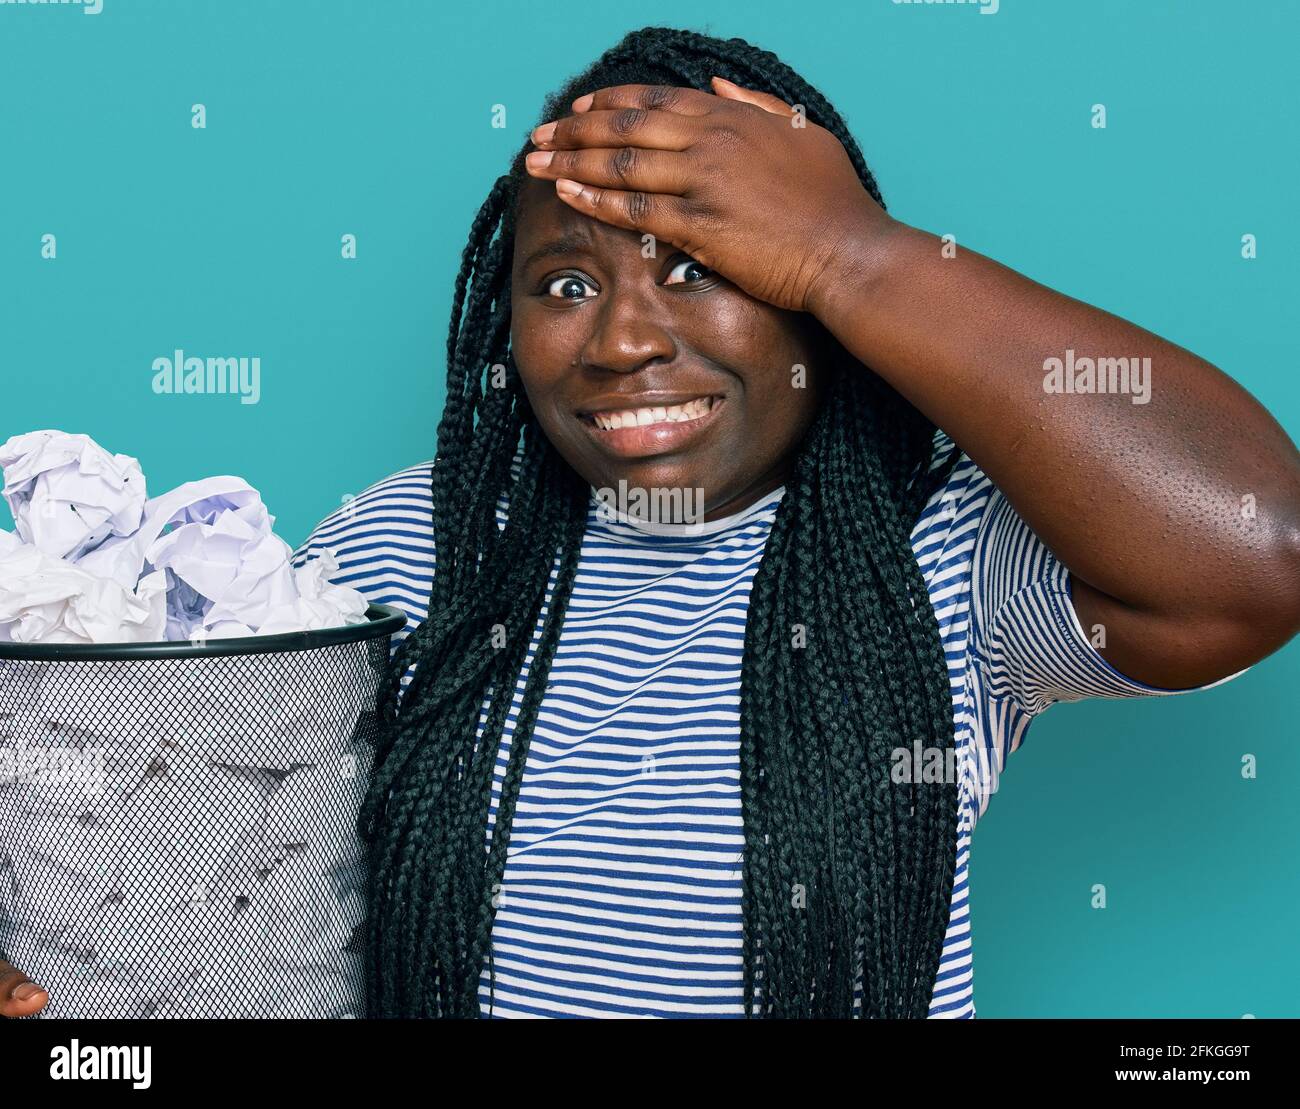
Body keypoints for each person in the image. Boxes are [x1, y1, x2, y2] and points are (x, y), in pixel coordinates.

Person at [4, 24, 1297, 1020]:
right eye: (566, 279)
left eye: (706, 267)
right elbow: (185, 843)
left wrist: (861, 253)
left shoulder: (931, 558)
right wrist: (63, 959)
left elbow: (1254, 552)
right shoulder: (409, 549)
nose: (624, 337)